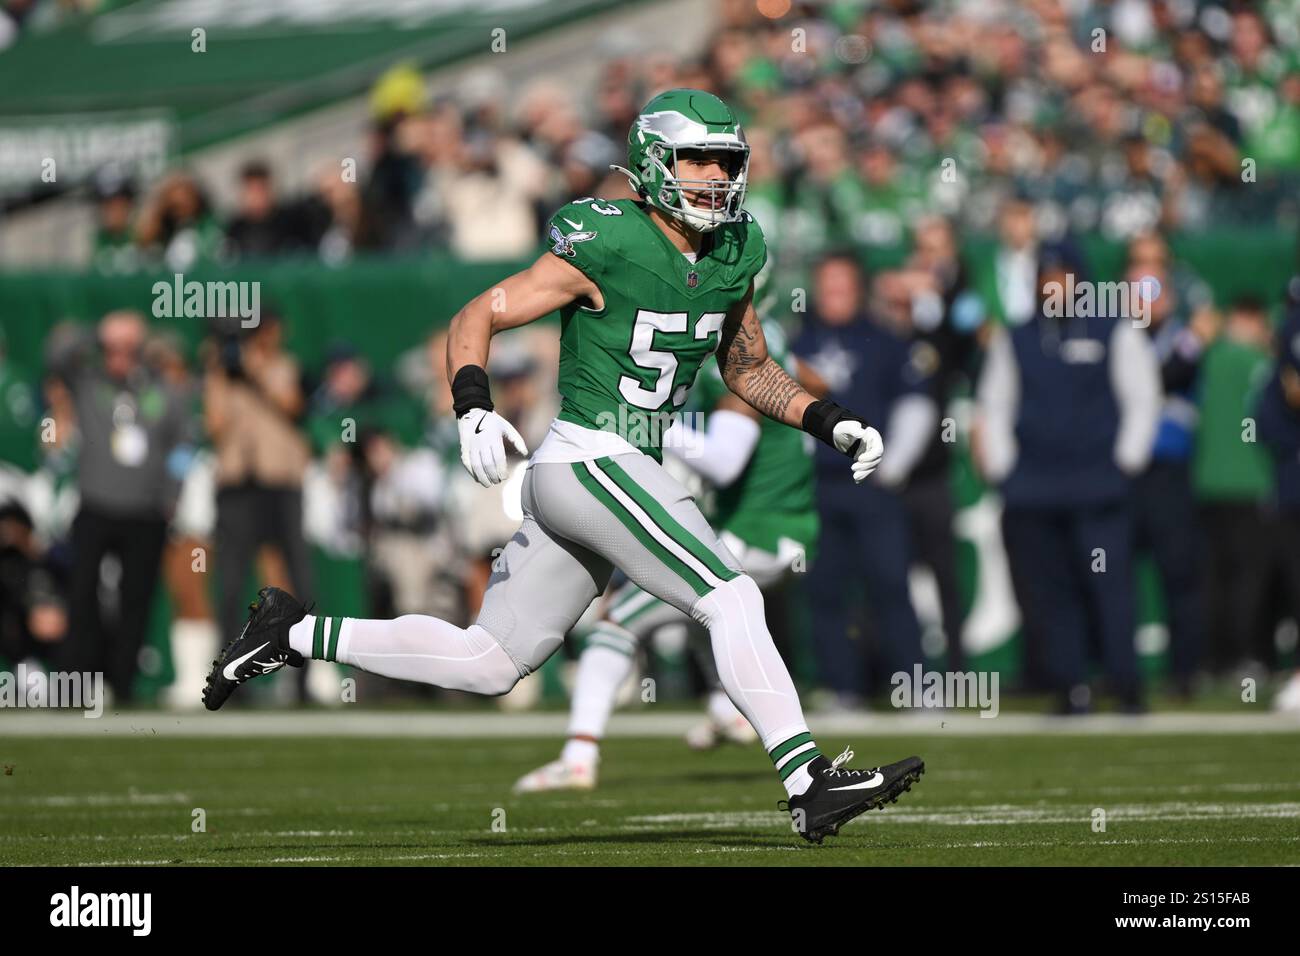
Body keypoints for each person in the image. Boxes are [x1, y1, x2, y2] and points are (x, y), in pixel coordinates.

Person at [202, 89, 923, 844]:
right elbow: (476, 314)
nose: (713, 176)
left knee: (489, 661)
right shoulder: (607, 237)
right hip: (591, 456)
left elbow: (748, 368)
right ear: (654, 163)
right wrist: (474, 405)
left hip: (608, 473)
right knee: (731, 595)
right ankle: (808, 782)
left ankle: (292, 632)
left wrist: (827, 420)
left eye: (726, 161)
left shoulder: (738, 248)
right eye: (696, 159)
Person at [512, 315, 818, 792]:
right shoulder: (778, 355)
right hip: (776, 531)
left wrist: (640, 423)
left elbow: (724, 461)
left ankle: (578, 755)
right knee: (700, 612)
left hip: (759, 532)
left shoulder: (738, 367)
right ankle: (727, 709)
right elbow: (813, 382)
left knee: (619, 619)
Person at [976, 245, 1161, 713]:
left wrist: (1126, 460)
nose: (1055, 287)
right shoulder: (1016, 337)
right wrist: (1004, 468)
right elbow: (995, 405)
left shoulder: (1112, 329)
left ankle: (1126, 684)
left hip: (1098, 485)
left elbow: (1142, 397)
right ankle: (1070, 686)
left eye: (1064, 277)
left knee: (1109, 587)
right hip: (1036, 489)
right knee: (1050, 593)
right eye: (1047, 278)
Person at [792, 253, 933, 707]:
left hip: (871, 484)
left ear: (859, 289)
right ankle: (842, 686)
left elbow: (917, 404)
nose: (835, 294)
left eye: (843, 285)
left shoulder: (885, 340)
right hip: (818, 485)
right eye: (827, 285)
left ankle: (913, 688)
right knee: (825, 590)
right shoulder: (798, 342)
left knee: (890, 584)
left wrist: (893, 464)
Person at [49, 311, 191, 702]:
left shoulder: (164, 392)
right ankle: (73, 683)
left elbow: (182, 447)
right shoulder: (89, 384)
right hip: (96, 506)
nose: (120, 356)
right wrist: (97, 334)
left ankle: (124, 684)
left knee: (137, 599)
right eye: (112, 349)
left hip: (144, 512)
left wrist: (171, 497)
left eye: (128, 348)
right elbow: (57, 355)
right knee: (81, 595)